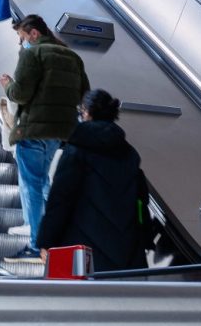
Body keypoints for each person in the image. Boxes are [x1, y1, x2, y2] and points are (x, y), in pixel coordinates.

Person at [0, 15, 90, 260]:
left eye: (22, 38)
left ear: (34, 33)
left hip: (34, 130)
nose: (21, 44)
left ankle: (38, 245)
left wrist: (7, 85)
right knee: (43, 183)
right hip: (59, 133)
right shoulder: (73, 57)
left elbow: (21, 94)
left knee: (32, 186)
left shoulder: (32, 55)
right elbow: (84, 94)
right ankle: (52, 237)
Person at [37, 89, 152, 272]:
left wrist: (47, 241)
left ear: (87, 112)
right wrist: (146, 240)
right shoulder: (129, 154)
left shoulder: (76, 150)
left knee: (71, 298)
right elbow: (140, 202)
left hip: (79, 252)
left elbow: (60, 199)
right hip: (126, 253)